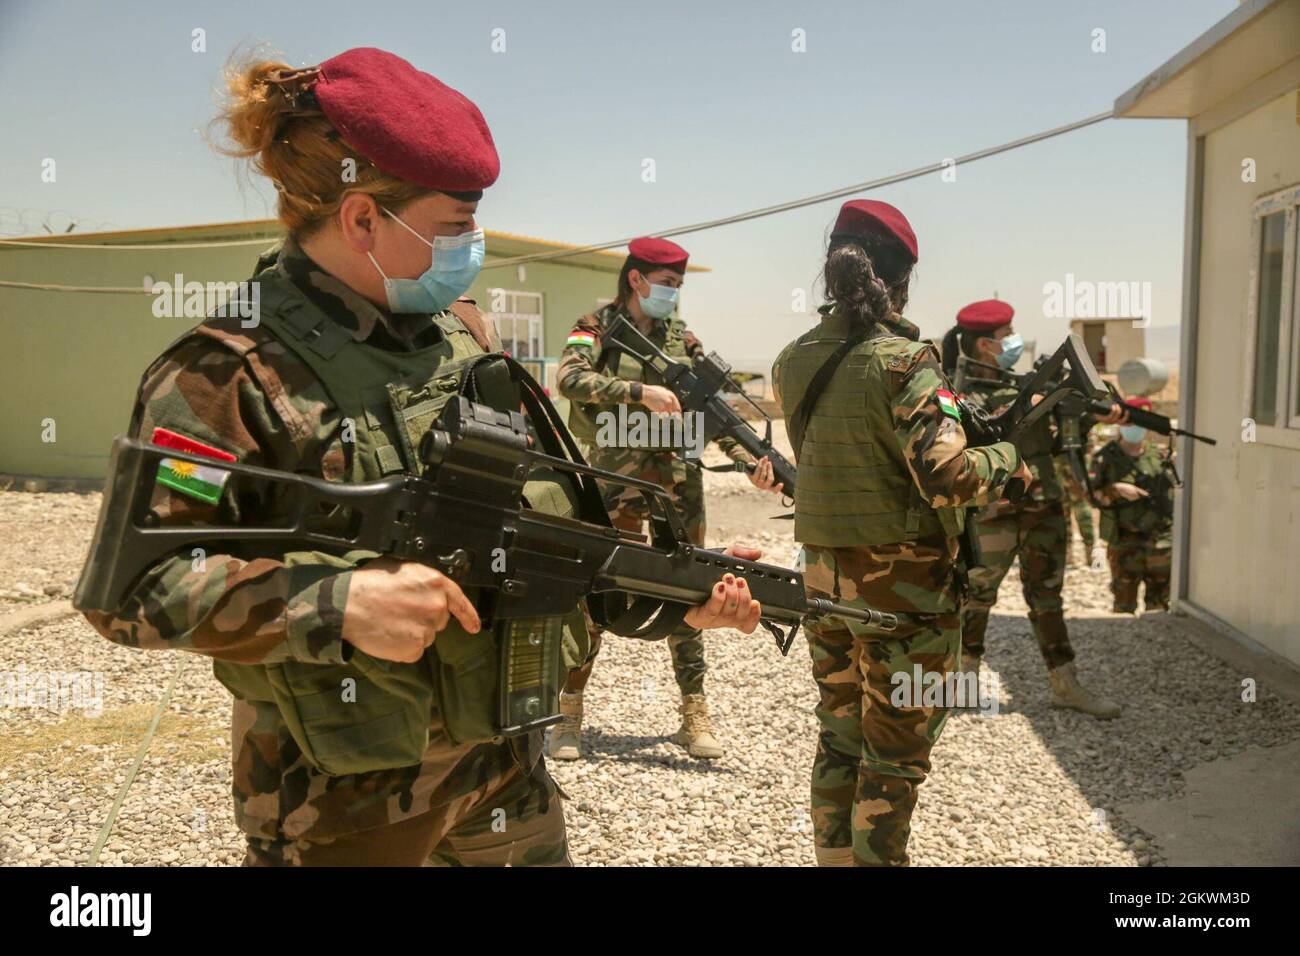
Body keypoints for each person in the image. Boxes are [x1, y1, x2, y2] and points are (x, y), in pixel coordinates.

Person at [78, 47, 761, 866]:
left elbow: (526, 535)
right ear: (363, 219)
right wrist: (336, 602)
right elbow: (130, 590)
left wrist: (671, 589)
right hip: (343, 806)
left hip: (505, 771)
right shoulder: (226, 372)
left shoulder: (462, 335)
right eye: (453, 227)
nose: (471, 245)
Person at [771, 199, 1029, 866]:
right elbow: (945, 477)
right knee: (893, 760)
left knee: (839, 741)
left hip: (823, 585)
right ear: (901, 280)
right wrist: (1009, 459)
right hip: (904, 598)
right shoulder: (906, 361)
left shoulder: (792, 359)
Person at [554, 237, 783, 760]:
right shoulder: (595, 325)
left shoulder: (684, 339)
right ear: (636, 279)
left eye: (679, 285)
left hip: (678, 484)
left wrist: (751, 464)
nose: (673, 293)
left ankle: (693, 710)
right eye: (666, 283)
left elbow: (712, 413)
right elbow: (569, 378)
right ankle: (568, 710)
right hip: (613, 484)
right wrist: (640, 393)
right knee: (594, 587)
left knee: (691, 586)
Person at [941, 301, 1122, 719]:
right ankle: (962, 683)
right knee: (976, 595)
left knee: (1047, 597)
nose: (1013, 341)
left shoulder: (1030, 385)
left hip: (1044, 506)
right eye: (1006, 335)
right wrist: (1026, 404)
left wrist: (1096, 412)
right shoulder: (959, 394)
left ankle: (1065, 684)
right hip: (994, 510)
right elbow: (971, 435)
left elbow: (1065, 438)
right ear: (985, 345)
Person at [1089, 397, 1176, 613]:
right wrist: (1115, 490)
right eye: (1131, 424)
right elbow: (1092, 496)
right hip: (1124, 543)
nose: (1136, 429)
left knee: (1159, 608)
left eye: (1141, 425)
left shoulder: (1162, 456)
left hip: (1160, 543)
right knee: (1123, 606)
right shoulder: (1105, 458)